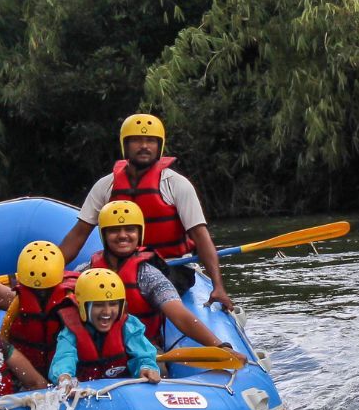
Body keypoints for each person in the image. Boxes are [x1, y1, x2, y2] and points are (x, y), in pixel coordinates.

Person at [57, 113, 232, 310]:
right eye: (137, 141)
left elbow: (201, 236)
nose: (144, 146)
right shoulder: (105, 186)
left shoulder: (176, 184)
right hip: (119, 266)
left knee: (132, 287)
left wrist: (218, 286)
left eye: (150, 141)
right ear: (125, 145)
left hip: (171, 267)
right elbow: (79, 233)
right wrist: (51, 271)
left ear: (160, 146)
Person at [84, 200, 231, 351]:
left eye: (130, 229)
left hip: (144, 351)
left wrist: (220, 346)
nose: (122, 235)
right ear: (104, 234)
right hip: (95, 352)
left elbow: (179, 315)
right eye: (114, 230)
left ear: (139, 234)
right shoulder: (86, 272)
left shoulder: (148, 274)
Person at [51, 268, 161, 388]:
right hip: (86, 391)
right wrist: (64, 376)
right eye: (98, 305)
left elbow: (143, 355)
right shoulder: (70, 332)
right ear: (83, 306)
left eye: (113, 304)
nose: (107, 312)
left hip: (122, 389)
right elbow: (65, 357)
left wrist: (146, 368)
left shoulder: (129, 326)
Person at [0, 240, 76, 387]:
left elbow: (77, 335)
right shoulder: (19, 301)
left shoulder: (68, 299)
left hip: (62, 364)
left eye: (46, 290)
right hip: (28, 369)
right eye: (34, 290)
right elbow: (4, 333)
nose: (40, 293)